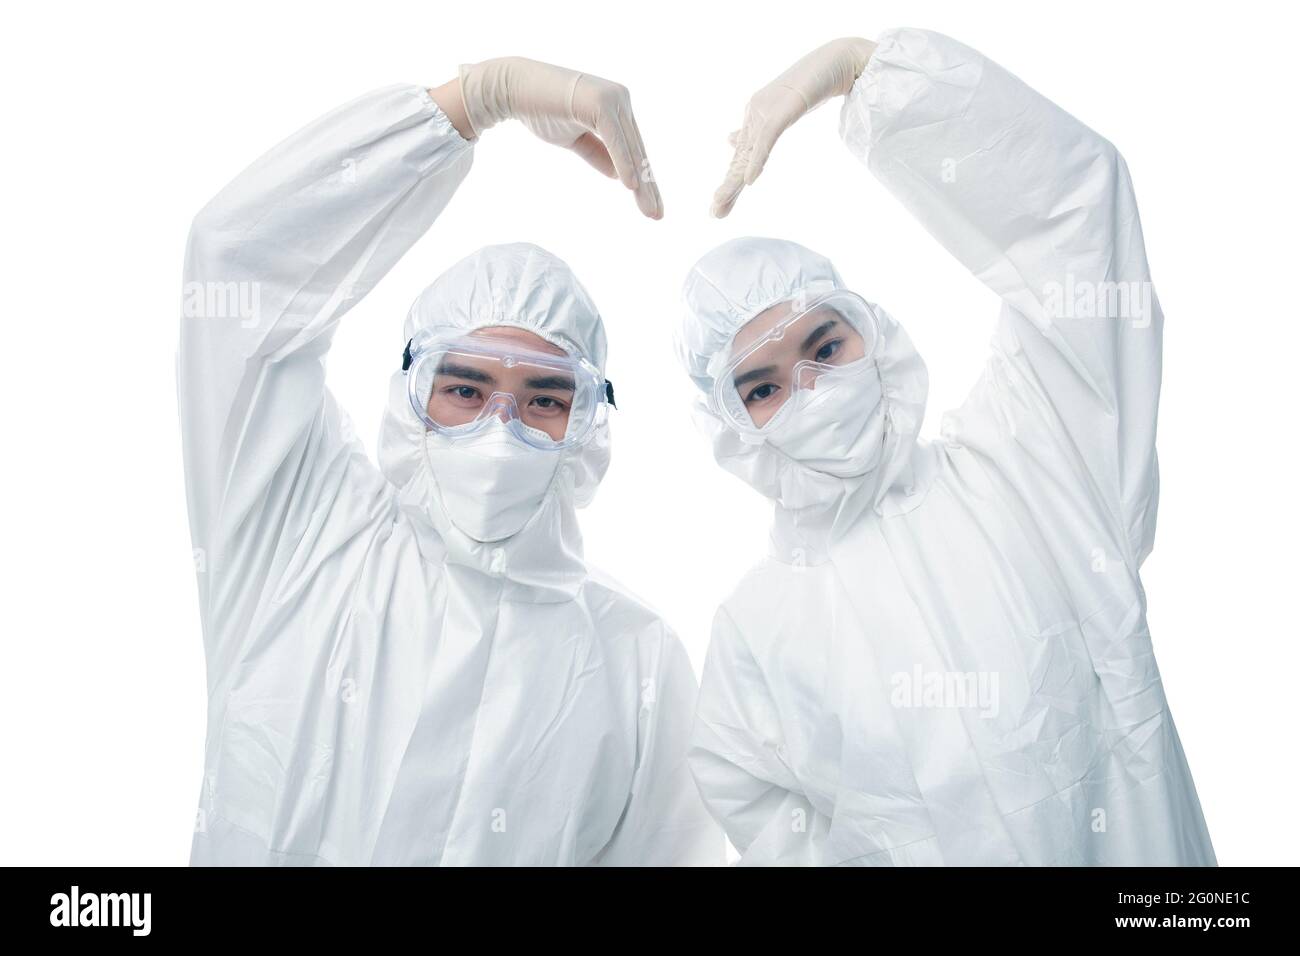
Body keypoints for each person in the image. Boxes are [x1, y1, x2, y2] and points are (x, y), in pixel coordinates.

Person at [678, 29, 1216, 865]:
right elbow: (770, 821)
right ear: (730, 428)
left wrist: (872, 76)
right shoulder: (754, 636)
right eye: (764, 385)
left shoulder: (1030, 464)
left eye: (825, 347)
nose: (810, 392)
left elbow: (1080, 217)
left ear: (873, 333)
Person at [179, 57, 720, 865]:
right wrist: (468, 104)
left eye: (542, 400)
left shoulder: (637, 659)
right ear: (411, 394)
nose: (499, 429)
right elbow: (237, 261)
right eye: (464, 389)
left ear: (587, 424)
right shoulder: (303, 542)